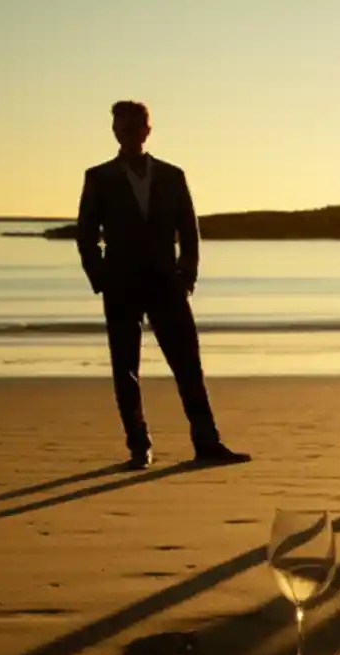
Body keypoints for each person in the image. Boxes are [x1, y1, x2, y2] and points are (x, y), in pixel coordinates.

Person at [76, 100, 250, 470]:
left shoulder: (172, 175)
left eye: (137, 128)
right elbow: (86, 233)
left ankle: (207, 441)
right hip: (121, 285)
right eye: (124, 129)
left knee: (188, 365)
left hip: (166, 284)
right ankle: (139, 447)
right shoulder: (99, 177)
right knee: (126, 369)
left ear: (148, 130)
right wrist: (101, 277)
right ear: (115, 133)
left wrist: (187, 275)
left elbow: (189, 230)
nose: (132, 135)